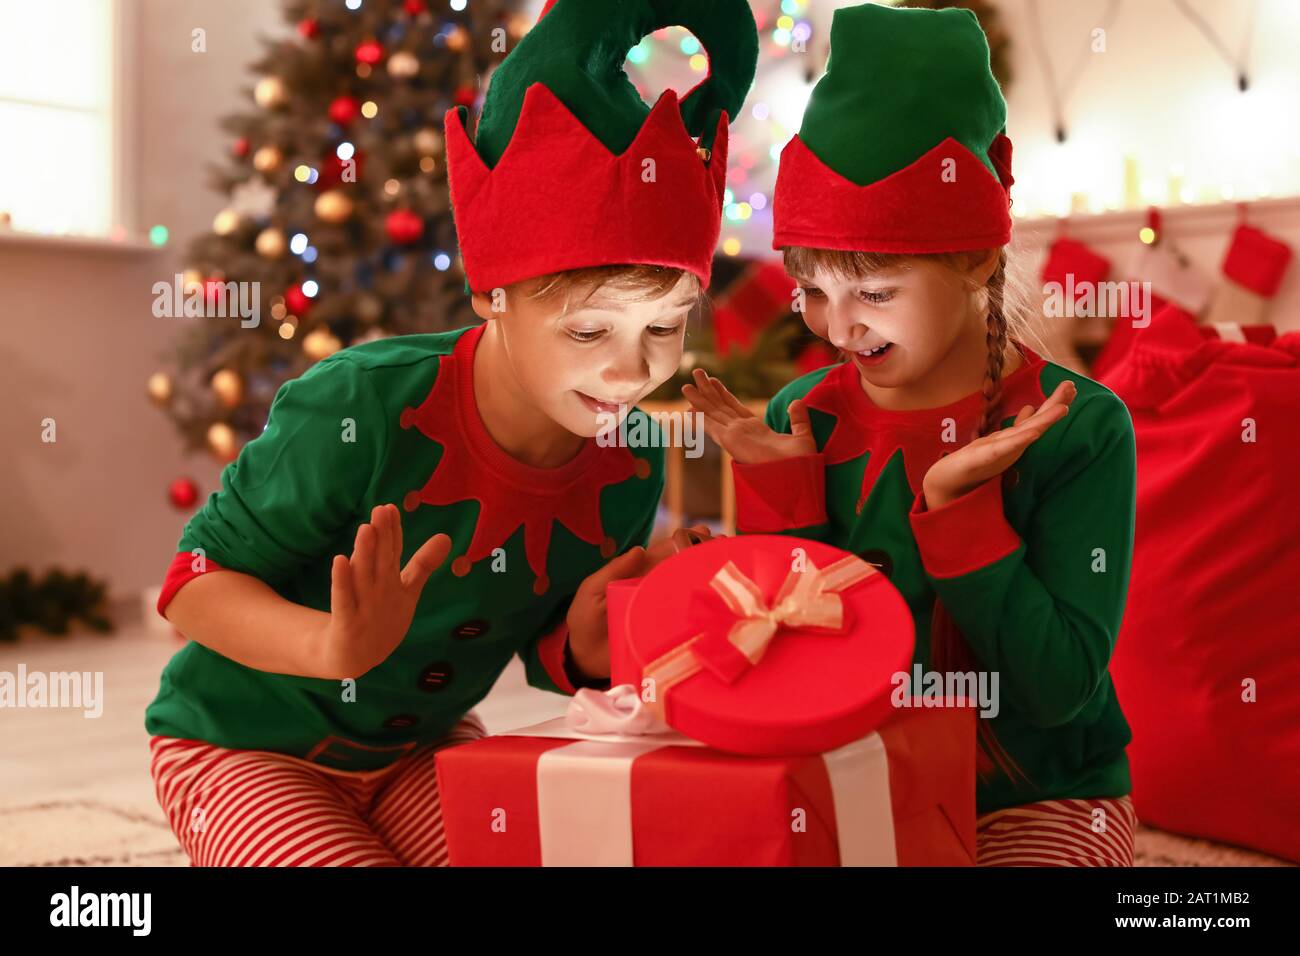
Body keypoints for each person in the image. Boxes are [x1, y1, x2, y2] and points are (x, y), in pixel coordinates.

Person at [146, 0, 757, 867]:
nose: (631, 372)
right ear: (491, 296)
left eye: (665, 328)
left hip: (419, 752)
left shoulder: (627, 460)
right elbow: (194, 584)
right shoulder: (356, 405)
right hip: (241, 745)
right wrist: (332, 645)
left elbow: (552, 655)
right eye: (589, 332)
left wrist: (592, 635)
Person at [685, 2, 1138, 867]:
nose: (837, 327)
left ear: (974, 261)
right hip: (857, 778)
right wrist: (784, 506)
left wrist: (959, 516)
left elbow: (1058, 690)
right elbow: (793, 675)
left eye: (876, 292)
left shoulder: (1080, 431)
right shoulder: (800, 418)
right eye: (813, 289)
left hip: (1038, 798)